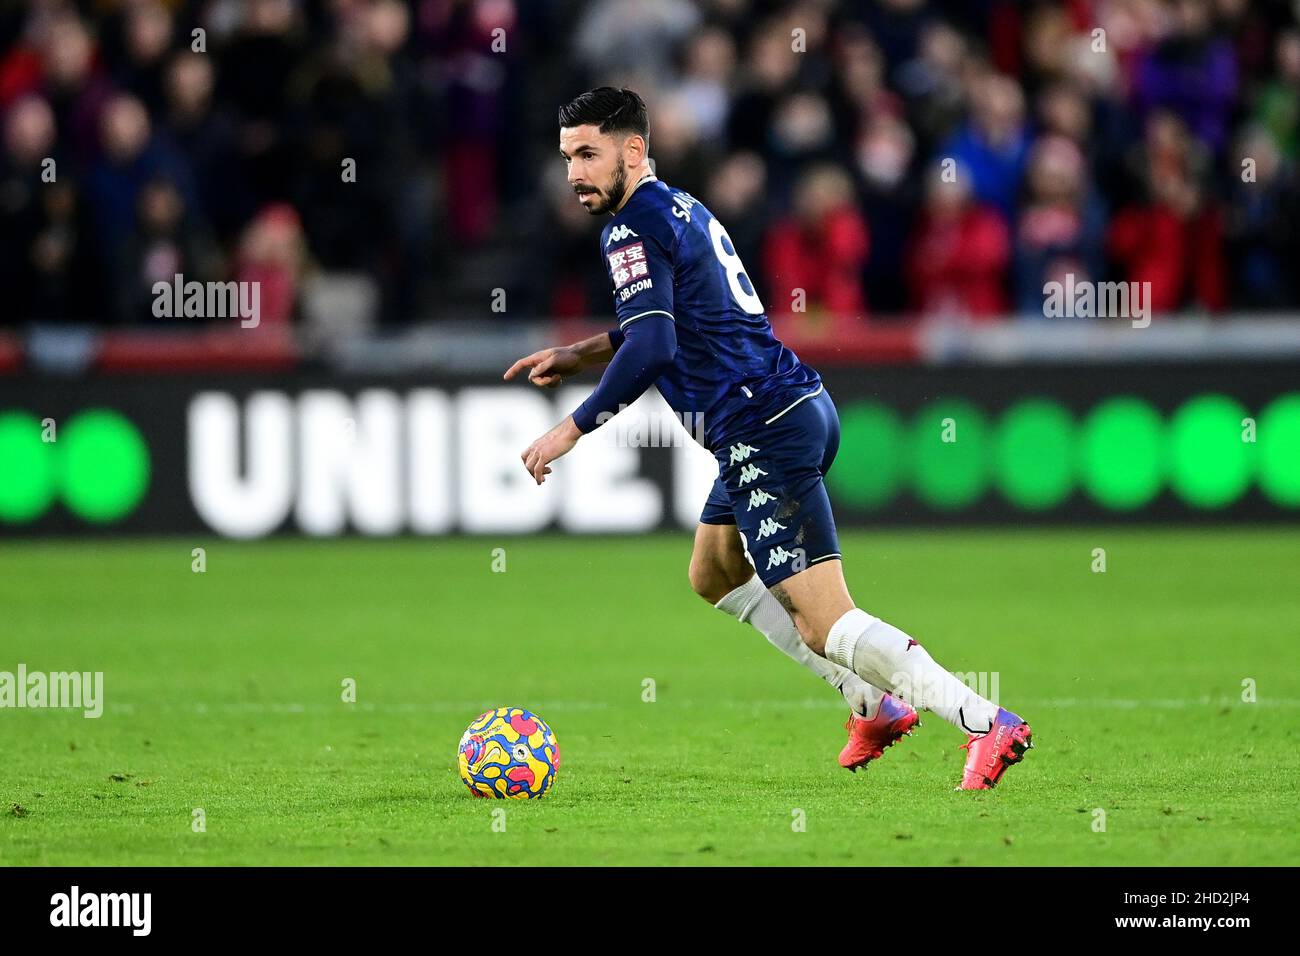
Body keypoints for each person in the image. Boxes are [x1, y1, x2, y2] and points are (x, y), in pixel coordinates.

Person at [504, 88, 1031, 788]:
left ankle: (985, 720)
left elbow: (655, 346)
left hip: (763, 427)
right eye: (568, 156)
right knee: (714, 570)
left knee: (824, 622)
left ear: (633, 151)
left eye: (589, 155)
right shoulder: (676, 206)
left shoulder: (630, 227)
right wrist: (581, 352)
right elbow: (674, 322)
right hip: (787, 405)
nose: (574, 173)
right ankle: (871, 703)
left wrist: (575, 424)